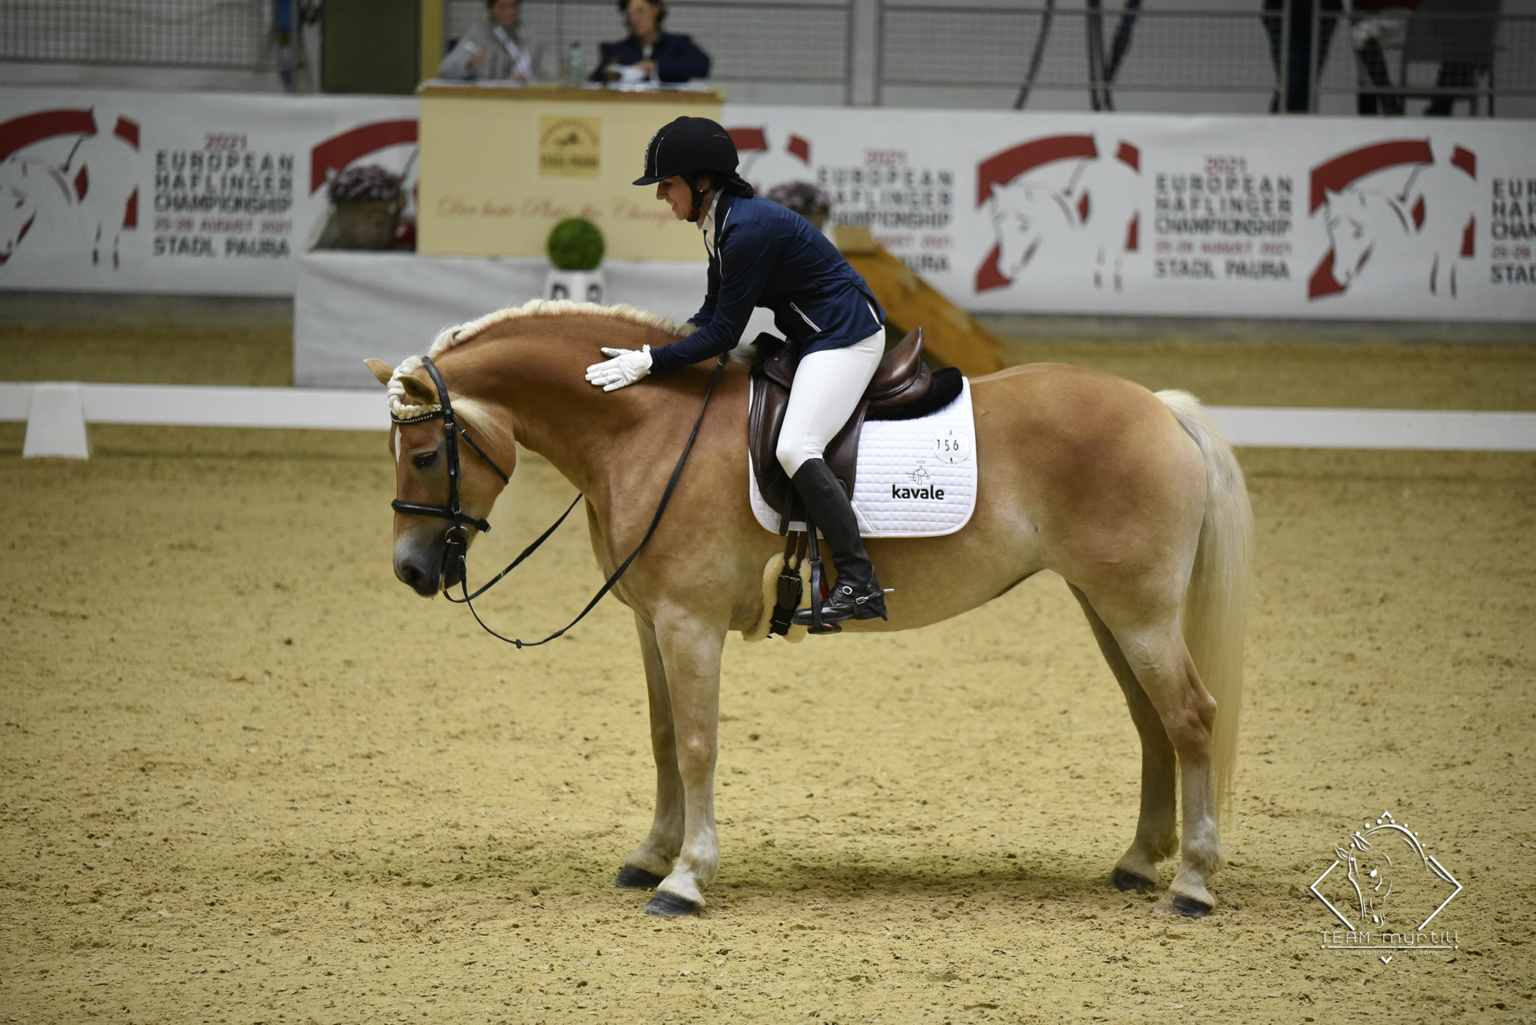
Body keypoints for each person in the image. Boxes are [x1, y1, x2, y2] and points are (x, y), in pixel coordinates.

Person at [584, 117, 889, 625]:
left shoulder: (744, 230)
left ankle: (860, 582)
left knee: (796, 446)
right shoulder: (718, 224)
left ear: (702, 182)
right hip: (810, 337)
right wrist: (656, 347)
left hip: (846, 336)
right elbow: (709, 312)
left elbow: (725, 334)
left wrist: (654, 363)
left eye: (667, 184)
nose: (661, 195)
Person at [589, 0, 711, 86]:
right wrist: (611, 75)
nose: (634, 19)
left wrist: (655, 67)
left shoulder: (678, 44)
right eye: (629, 13)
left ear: (656, 9)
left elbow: (702, 66)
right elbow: (595, 79)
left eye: (640, 10)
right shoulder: (618, 50)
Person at [438, 0, 552, 83]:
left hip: (523, 102)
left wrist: (527, 80)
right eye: (502, 7)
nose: (509, 12)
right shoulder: (476, 37)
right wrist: (469, 66)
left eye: (513, 6)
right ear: (491, 8)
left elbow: (551, 73)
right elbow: (446, 70)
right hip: (486, 103)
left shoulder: (532, 38)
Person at [1261, 0, 1344, 112]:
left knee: (1305, 84)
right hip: (1285, 16)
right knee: (1293, 83)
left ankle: (1296, 123)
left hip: (1320, 16)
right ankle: (1289, 124)